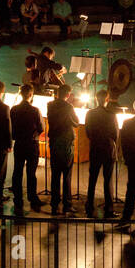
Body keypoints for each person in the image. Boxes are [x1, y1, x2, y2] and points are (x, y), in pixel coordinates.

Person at [84, 88, 119, 218]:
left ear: (95, 99)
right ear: (107, 99)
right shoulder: (111, 114)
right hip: (108, 149)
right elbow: (115, 134)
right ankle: (109, 209)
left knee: (92, 179)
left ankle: (89, 207)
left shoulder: (90, 113)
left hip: (95, 148)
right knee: (108, 179)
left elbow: (87, 131)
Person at [11, 81, 44, 213]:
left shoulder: (13, 109)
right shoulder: (35, 110)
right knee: (31, 173)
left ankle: (18, 198)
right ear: (31, 94)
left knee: (17, 171)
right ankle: (32, 197)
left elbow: (11, 127)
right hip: (31, 144)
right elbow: (41, 128)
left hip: (19, 143)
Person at [46, 82, 77, 214]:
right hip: (65, 144)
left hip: (54, 142)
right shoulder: (69, 106)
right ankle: (67, 204)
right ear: (68, 94)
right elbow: (76, 122)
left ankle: (54, 204)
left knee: (55, 174)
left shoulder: (50, 105)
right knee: (67, 175)